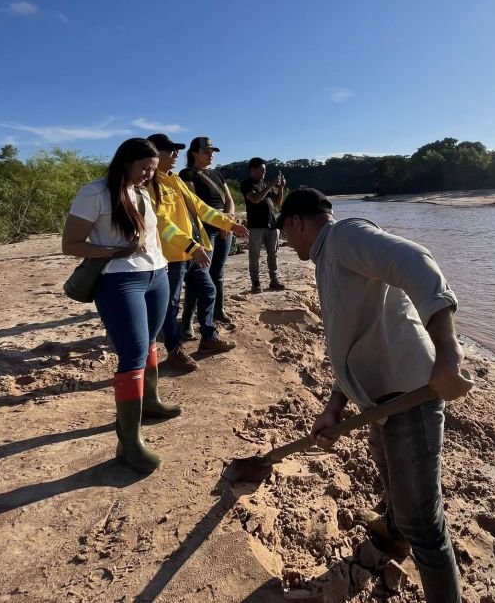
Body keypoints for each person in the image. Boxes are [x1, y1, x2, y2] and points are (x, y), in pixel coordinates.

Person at [279, 188, 474, 603]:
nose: (287, 242)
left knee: (425, 523)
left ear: (296, 222)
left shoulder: (347, 236)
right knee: (393, 485)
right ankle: (394, 535)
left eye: (285, 232)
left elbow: (416, 260)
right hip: (378, 399)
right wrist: (334, 406)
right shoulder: (328, 258)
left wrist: (448, 349)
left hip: (411, 393)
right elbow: (353, 341)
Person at [62, 138, 177, 474]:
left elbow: (152, 236)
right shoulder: (94, 192)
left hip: (157, 276)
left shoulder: (142, 192)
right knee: (132, 353)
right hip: (119, 280)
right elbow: (70, 244)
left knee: (150, 343)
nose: (148, 175)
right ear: (125, 162)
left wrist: (163, 264)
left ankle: (151, 403)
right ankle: (129, 443)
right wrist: (113, 252)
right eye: (144, 168)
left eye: (153, 170)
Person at [146, 134, 248, 372]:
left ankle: (208, 338)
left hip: (193, 252)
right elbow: (161, 223)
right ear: (154, 153)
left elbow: (200, 208)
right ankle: (174, 350)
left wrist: (229, 224)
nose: (175, 155)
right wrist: (191, 246)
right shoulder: (149, 185)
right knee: (170, 304)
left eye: (176, 151)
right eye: (170, 150)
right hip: (172, 256)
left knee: (208, 289)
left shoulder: (175, 180)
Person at [179, 136, 236, 336]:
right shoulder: (187, 174)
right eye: (206, 151)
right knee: (199, 275)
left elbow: (229, 200)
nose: (210, 154)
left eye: (212, 151)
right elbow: (193, 205)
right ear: (194, 152)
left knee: (217, 273)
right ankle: (187, 321)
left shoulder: (218, 175)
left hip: (224, 227)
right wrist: (221, 221)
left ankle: (218, 311)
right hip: (204, 229)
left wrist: (228, 220)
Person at [240, 157, 286, 293]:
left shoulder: (264, 184)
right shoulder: (247, 184)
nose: (264, 172)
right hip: (256, 225)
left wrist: (281, 187)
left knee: (273, 253)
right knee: (254, 255)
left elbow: (277, 202)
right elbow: (255, 199)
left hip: (271, 224)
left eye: (265, 170)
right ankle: (255, 282)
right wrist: (270, 185)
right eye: (262, 169)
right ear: (253, 169)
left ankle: (274, 280)